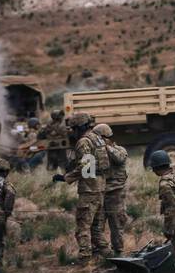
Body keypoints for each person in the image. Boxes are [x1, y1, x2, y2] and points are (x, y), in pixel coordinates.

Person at [55, 112, 110, 261]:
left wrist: (66, 177)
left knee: (83, 227)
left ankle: (85, 259)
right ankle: (107, 255)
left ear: (79, 127)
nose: (72, 132)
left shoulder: (84, 142)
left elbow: (86, 168)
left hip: (89, 189)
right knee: (97, 227)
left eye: (73, 129)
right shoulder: (98, 139)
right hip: (101, 186)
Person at [91, 123, 129, 256]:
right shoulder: (95, 153)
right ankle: (99, 252)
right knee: (97, 224)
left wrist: (106, 148)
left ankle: (118, 252)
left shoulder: (119, 150)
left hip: (116, 193)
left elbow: (119, 159)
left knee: (117, 224)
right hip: (100, 193)